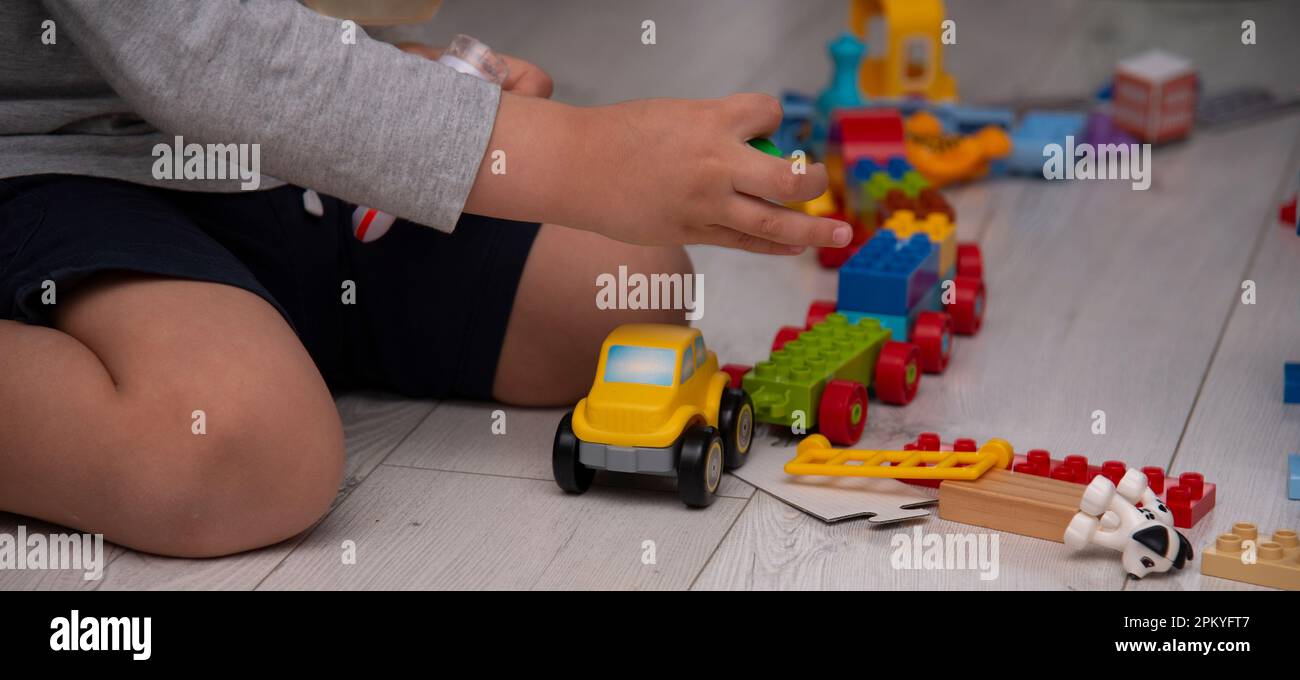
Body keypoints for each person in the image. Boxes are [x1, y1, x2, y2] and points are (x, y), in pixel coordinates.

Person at [0, 1, 847, 557]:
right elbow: (200, 51)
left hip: (278, 163)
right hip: (69, 170)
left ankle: (269, 330)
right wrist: (583, 156)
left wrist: (400, 85)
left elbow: (263, 36)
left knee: (629, 289)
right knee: (236, 452)